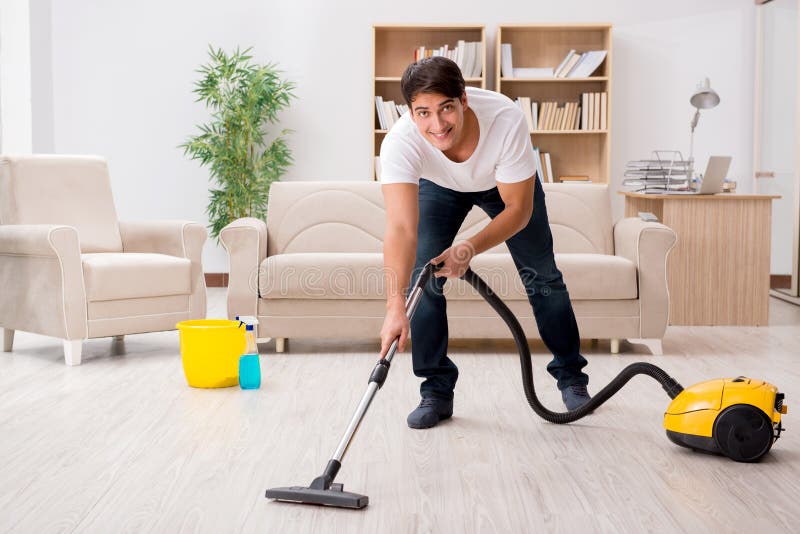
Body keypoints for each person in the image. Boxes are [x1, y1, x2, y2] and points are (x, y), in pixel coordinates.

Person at [378, 56, 591, 429]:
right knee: (422, 278)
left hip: (503, 185)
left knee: (542, 276)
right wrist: (395, 304)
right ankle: (436, 390)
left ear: (463, 100)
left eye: (446, 108)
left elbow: (519, 211)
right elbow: (400, 229)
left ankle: (571, 378)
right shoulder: (400, 143)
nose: (437, 124)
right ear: (410, 113)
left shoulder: (504, 119)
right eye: (423, 113)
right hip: (440, 186)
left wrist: (469, 248)